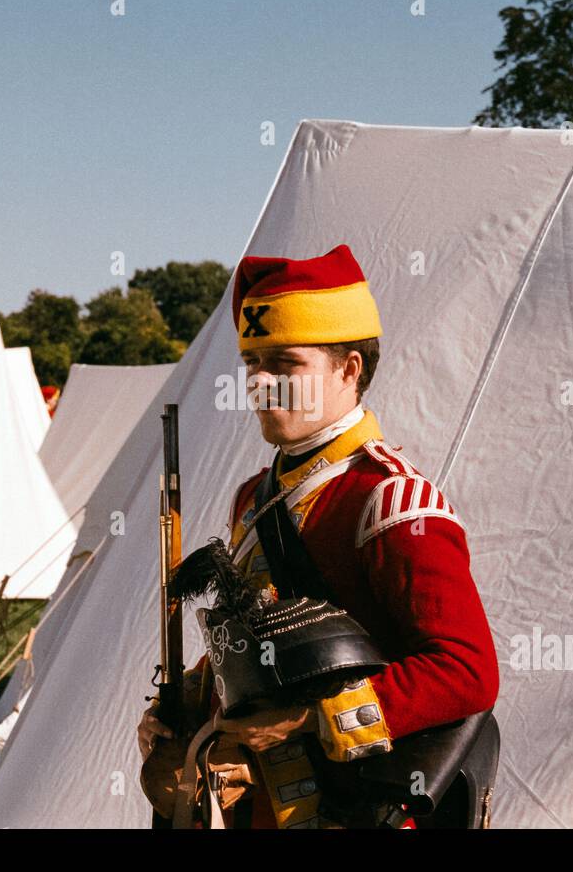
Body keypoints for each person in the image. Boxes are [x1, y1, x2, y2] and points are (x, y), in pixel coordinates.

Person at [138, 243, 500, 828]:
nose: (261, 384)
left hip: (350, 806)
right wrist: (181, 699)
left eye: (286, 365)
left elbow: (465, 670)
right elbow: (263, 636)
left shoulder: (392, 501)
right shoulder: (253, 497)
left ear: (348, 369)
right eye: (254, 365)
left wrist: (305, 719)